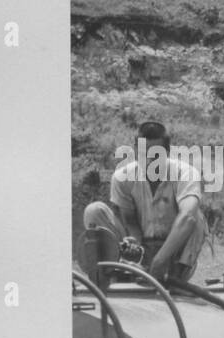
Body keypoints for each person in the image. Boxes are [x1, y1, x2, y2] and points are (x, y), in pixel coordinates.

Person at [82, 121, 207, 282]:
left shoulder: (186, 173)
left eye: (156, 155)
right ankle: (111, 274)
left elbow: (188, 218)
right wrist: (134, 245)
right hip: (142, 253)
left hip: (173, 253)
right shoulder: (122, 177)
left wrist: (159, 261)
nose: (149, 161)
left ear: (167, 152)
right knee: (94, 211)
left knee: (195, 217)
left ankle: (175, 281)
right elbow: (130, 222)